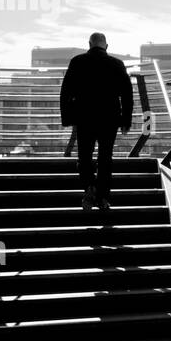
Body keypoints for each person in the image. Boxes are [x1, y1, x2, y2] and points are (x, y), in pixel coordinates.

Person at [59, 33, 133, 213]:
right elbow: (127, 95)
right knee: (105, 158)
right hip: (110, 119)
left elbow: (66, 91)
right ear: (106, 46)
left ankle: (89, 187)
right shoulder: (117, 64)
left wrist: (67, 117)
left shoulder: (77, 62)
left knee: (84, 156)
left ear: (89, 44)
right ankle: (103, 197)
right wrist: (126, 120)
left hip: (84, 118)